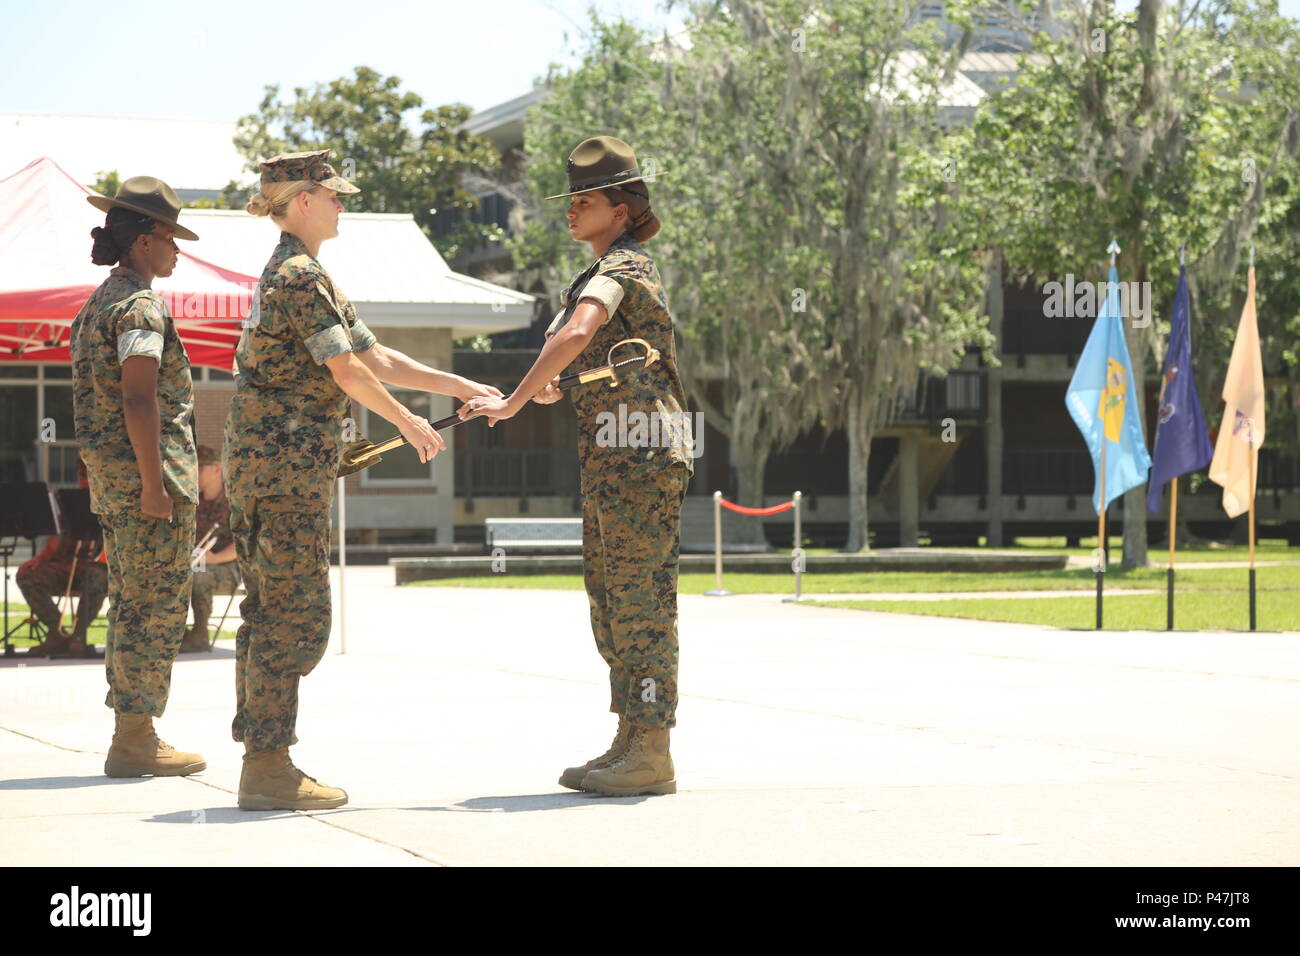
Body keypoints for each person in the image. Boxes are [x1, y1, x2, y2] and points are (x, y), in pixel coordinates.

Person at [225, 149, 503, 811]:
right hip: (282, 472)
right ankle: (266, 764)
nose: (342, 204)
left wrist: (454, 382)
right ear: (302, 202)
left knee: (279, 613)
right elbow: (347, 373)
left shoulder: (308, 273)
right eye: (334, 195)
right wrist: (408, 422)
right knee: (294, 616)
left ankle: (266, 757)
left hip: (285, 469)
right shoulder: (298, 274)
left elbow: (372, 355)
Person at [460, 136, 693, 796]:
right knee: (613, 601)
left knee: (641, 603)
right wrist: (568, 382)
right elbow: (590, 355)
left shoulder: (625, 268)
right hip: (617, 456)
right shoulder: (600, 270)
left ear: (620, 209)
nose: (570, 211)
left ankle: (652, 749)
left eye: (583, 200)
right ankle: (630, 738)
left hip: (641, 454)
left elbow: (576, 334)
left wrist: (514, 401)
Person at [71, 176, 206, 777]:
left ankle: (134, 731)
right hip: (147, 485)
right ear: (146, 241)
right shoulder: (140, 306)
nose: (178, 249)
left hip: (115, 486)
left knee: (132, 603)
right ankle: (135, 737)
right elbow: (139, 399)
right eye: (172, 238)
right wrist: (155, 485)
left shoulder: (96, 304)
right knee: (154, 607)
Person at [22, 459, 108, 657]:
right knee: (29, 575)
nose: (86, 482)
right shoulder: (72, 503)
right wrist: (41, 559)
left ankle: (78, 638)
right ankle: (57, 633)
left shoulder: (112, 502)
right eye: (82, 476)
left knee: (95, 577)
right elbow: (57, 538)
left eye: (90, 476)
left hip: (101, 570)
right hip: (69, 566)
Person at [182, 445, 240, 652]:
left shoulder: (233, 501)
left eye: (199, 468)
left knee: (200, 574)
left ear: (216, 469)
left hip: (227, 568)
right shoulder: (192, 502)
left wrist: (215, 558)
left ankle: (199, 633)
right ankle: (175, 632)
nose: (193, 473)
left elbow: (244, 541)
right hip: (195, 564)